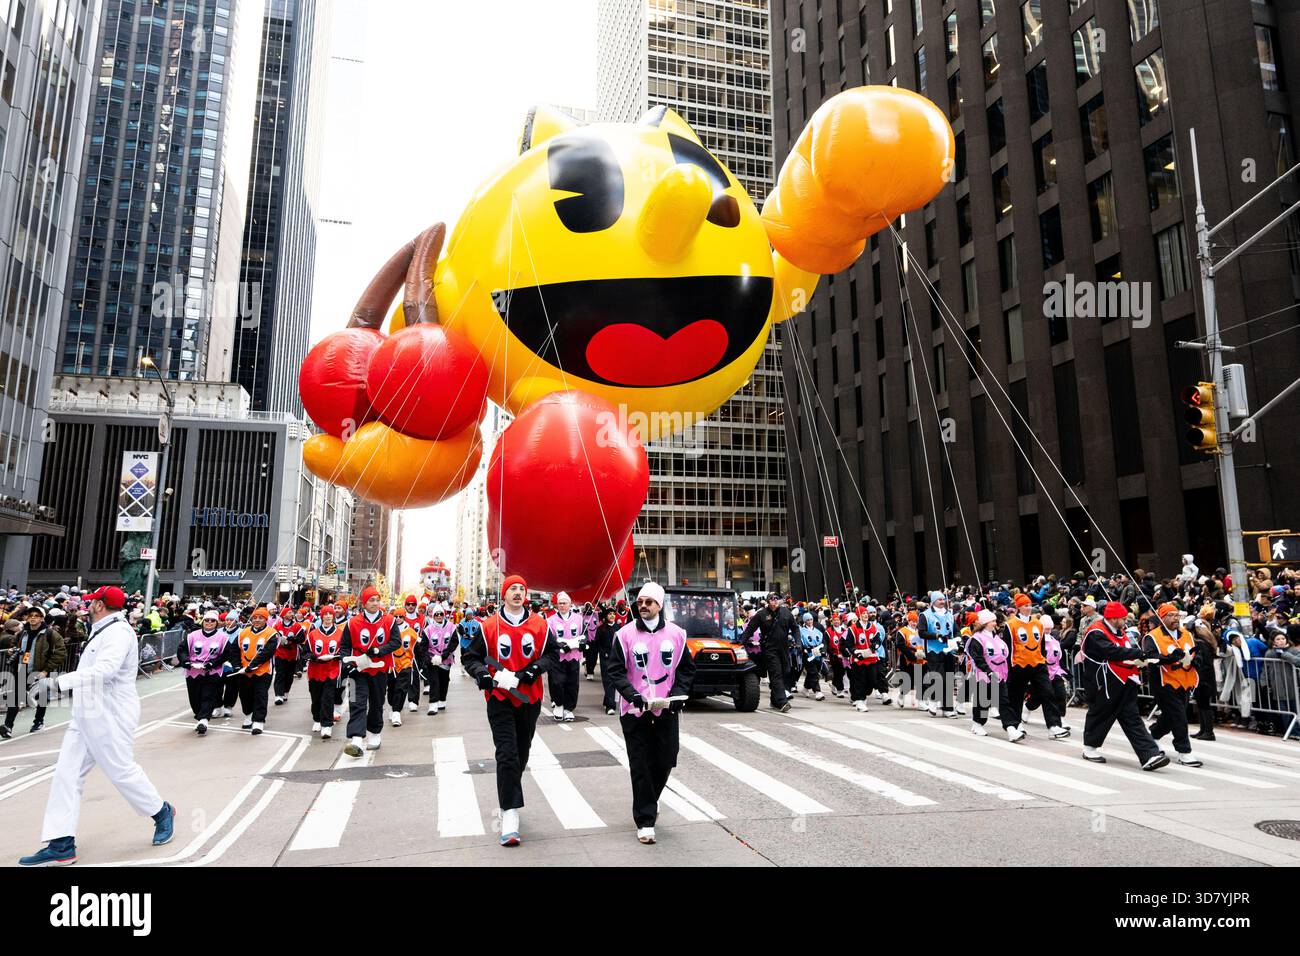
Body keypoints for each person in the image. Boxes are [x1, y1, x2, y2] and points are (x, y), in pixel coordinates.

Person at [18, 586, 175, 866]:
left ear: (100, 606)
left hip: (110, 714)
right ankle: (61, 842)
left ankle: (162, 812)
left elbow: (105, 671)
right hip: (87, 712)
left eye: (91, 603)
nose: (86, 606)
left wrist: (57, 683)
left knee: (121, 771)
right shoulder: (106, 627)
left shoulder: (117, 632)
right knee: (66, 774)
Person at [462, 574, 558, 847]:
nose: (517, 592)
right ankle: (510, 813)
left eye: (521, 588)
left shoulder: (541, 624)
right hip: (499, 698)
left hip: (529, 698)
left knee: (521, 753)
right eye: (512, 588)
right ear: (503, 594)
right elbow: (470, 657)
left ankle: (509, 793)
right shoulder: (488, 626)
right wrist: (481, 673)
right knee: (506, 753)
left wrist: (532, 670)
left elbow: (552, 654)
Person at [606, 581, 695, 845]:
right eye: (640, 601)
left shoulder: (678, 634)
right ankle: (645, 821)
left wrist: (677, 696)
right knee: (640, 763)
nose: (642, 606)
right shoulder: (624, 634)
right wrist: (631, 694)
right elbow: (614, 670)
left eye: (648, 602)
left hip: (666, 709)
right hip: (634, 710)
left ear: (660, 605)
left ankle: (649, 801)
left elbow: (686, 670)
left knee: (667, 759)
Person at [1079, 601, 1168, 770]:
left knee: (1132, 717)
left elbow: (1125, 651)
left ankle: (1150, 754)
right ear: (1113, 618)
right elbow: (1111, 652)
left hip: (1124, 680)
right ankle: (1089, 747)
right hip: (1103, 682)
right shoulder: (1096, 632)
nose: (1125, 620)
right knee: (1100, 713)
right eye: (1123, 617)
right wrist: (1139, 653)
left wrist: (1147, 658)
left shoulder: (1119, 631)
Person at [1000, 594, 1069, 742]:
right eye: (1025, 605)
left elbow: (1042, 644)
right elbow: (1008, 647)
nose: (1029, 607)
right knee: (1016, 696)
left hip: (1038, 663)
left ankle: (1054, 726)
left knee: (1048, 692)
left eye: (1030, 604)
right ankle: (1016, 723)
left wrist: (1042, 658)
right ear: (1018, 607)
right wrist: (1009, 669)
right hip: (1018, 664)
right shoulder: (1011, 624)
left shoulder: (1038, 623)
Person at [341, 587, 400, 757]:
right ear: (364, 603)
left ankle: (375, 733)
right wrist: (348, 664)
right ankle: (357, 739)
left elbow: (396, 642)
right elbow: (344, 646)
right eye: (371, 600)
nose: (375, 603)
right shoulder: (352, 623)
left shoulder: (389, 620)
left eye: (377, 599)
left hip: (379, 668)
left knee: (377, 702)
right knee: (356, 702)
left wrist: (378, 651)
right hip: (357, 670)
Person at [1144, 603, 1202, 766]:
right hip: (1164, 682)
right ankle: (1184, 751)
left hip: (1185, 681)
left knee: (1172, 716)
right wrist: (1170, 658)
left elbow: (1194, 651)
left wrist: (1197, 659)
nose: (1175, 618)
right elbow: (1151, 657)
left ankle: (1152, 735)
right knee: (1179, 716)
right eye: (1171, 615)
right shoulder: (1153, 636)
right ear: (1162, 618)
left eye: (1177, 615)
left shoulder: (1186, 634)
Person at [2, 605, 66, 736]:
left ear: (42, 618)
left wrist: (46, 670)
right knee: (15, 698)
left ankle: (38, 722)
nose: (32, 618)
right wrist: (10, 651)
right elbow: (14, 645)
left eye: (36, 616)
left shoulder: (50, 634)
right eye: (30, 615)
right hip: (21, 669)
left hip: (40, 671)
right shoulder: (22, 633)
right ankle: (8, 726)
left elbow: (61, 653)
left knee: (41, 698)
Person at [175, 609, 236, 735]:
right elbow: (182, 650)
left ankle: (203, 720)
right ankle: (199, 715)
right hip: (193, 671)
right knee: (194, 698)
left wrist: (213, 664)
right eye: (207, 620)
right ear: (203, 621)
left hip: (212, 672)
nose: (209, 622)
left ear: (217, 622)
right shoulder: (192, 635)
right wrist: (185, 661)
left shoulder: (223, 638)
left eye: (212, 621)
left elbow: (225, 654)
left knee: (208, 696)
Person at [738, 592, 796, 712]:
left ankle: (774, 701)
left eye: (776, 599)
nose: (774, 601)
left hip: (784, 648)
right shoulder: (761, 615)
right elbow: (749, 629)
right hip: (770, 649)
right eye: (772, 599)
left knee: (785, 672)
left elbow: (795, 628)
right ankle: (782, 701)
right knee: (776, 673)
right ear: (768, 601)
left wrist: (799, 642)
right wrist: (741, 643)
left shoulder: (786, 613)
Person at [232, 607, 279, 735]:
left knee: (260, 695)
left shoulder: (272, 633)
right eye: (255, 617)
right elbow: (235, 650)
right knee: (245, 695)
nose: (257, 620)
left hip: (263, 671)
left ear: (266, 619)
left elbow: (267, 652)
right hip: (243, 671)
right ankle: (248, 715)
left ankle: (259, 721)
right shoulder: (242, 633)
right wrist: (237, 666)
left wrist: (252, 665)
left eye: (260, 618)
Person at [964, 609, 1008, 736]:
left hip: (999, 675)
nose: (995, 623)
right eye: (992, 621)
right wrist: (988, 671)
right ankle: (978, 723)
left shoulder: (997, 638)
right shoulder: (976, 639)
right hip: (984, 674)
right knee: (983, 701)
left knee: (1004, 701)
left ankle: (1011, 725)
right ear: (985, 623)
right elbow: (978, 658)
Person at [917, 591, 959, 717]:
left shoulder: (949, 614)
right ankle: (934, 700)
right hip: (933, 650)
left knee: (949, 678)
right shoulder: (925, 615)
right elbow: (922, 633)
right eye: (939, 599)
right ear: (933, 601)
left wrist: (958, 639)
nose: (942, 601)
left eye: (943, 599)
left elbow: (956, 630)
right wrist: (936, 636)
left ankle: (948, 708)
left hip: (948, 649)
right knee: (938, 677)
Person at [305, 605, 344, 738]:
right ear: (321, 616)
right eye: (325, 614)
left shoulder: (340, 633)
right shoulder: (313, 634)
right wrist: (314, 657)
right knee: (316, 698)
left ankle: (327, 724)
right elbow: (306, 652)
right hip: (315, 671)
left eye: (330, 614)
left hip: (332, 670)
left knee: (328, 698)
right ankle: (317, 719)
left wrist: (336, 656)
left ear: (333, 616)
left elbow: (344, 650)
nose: (328, 616)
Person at [547, 591, 586, 722]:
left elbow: (583, 635)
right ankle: (558, 705)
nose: (562, 606)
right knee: (557, 682)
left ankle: (569, 708)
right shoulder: (551, 620)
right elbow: (550, 639)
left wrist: (582, 643)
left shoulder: (579, 618)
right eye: (560, 603)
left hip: (574, 656)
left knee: (572, 683)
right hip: (558, 657)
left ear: (570, 604)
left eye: (565, 603)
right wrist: (560, 646)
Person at [421, 603, 458, 715]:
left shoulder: (451, 627)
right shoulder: (428, 630)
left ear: (444, 614)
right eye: (436, 614)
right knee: (434, 681)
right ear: (433, 616)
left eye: (441, 614)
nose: (438, 616)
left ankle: (442, 700)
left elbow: (454, 642)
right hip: (433, 660)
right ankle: (433, 704)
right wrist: (428, 659)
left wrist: (444, 656)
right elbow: (423, 646)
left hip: (446, 659)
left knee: (444, 680)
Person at [387, 608, 419, 726]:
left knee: (401, 688)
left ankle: (396, 712)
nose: (398, 619)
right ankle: (393, 707)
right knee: (391, 689)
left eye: (400, 616)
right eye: (396, 617)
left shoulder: (411, 632)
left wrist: (421, 664)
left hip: (405, 663)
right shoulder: (388, 631)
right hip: (391, 664)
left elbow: (418, 648)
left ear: (404, 617)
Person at [272, 606, 306, 706]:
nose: (291, 614)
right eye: (289, 612)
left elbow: (301, 639)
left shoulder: (297, 626)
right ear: (283, 615)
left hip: (292, 654)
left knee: (289, 674)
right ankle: (278, 694)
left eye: (292, 612)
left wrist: (292, 639)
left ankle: (286, 691)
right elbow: (273, 637)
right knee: (280, 673)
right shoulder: (277, 625)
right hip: (279, 653)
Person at [594, 606, 620, 715]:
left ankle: (607, 700)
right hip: (605, 658)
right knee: (607, 681)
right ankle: (610, 706)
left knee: (614, 681)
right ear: (606, 616)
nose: (612, 616)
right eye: (610, 614)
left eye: (613, 614)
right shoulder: (601, 629)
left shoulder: (619, 628)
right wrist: (602, 652)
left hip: (617, 658)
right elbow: (597, 644)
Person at [797, 611, 826, 700]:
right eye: (807, 620)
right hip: (807, 654)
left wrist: (823, 650)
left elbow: (823, 642)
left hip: (817, 653)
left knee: (815, 671)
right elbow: (800, 642)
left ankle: (805, 688)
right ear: (805, 621)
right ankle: (817, 691)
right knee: (813, 672)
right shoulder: (801, 631)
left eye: (811, 619)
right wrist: (803, 649)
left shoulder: (818, 631)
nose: (809, 621)